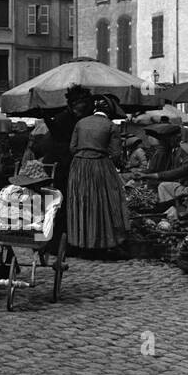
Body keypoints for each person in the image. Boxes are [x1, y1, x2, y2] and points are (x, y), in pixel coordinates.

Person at [66, 92, 130, 255]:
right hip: (99, 165)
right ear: (109, 112)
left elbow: (72, 148)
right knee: (104, 202)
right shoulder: (111, 126)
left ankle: (81, 242)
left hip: (78, 166)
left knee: (81, 202)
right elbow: (116, 155)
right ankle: (102, 242)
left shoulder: (80, 123)